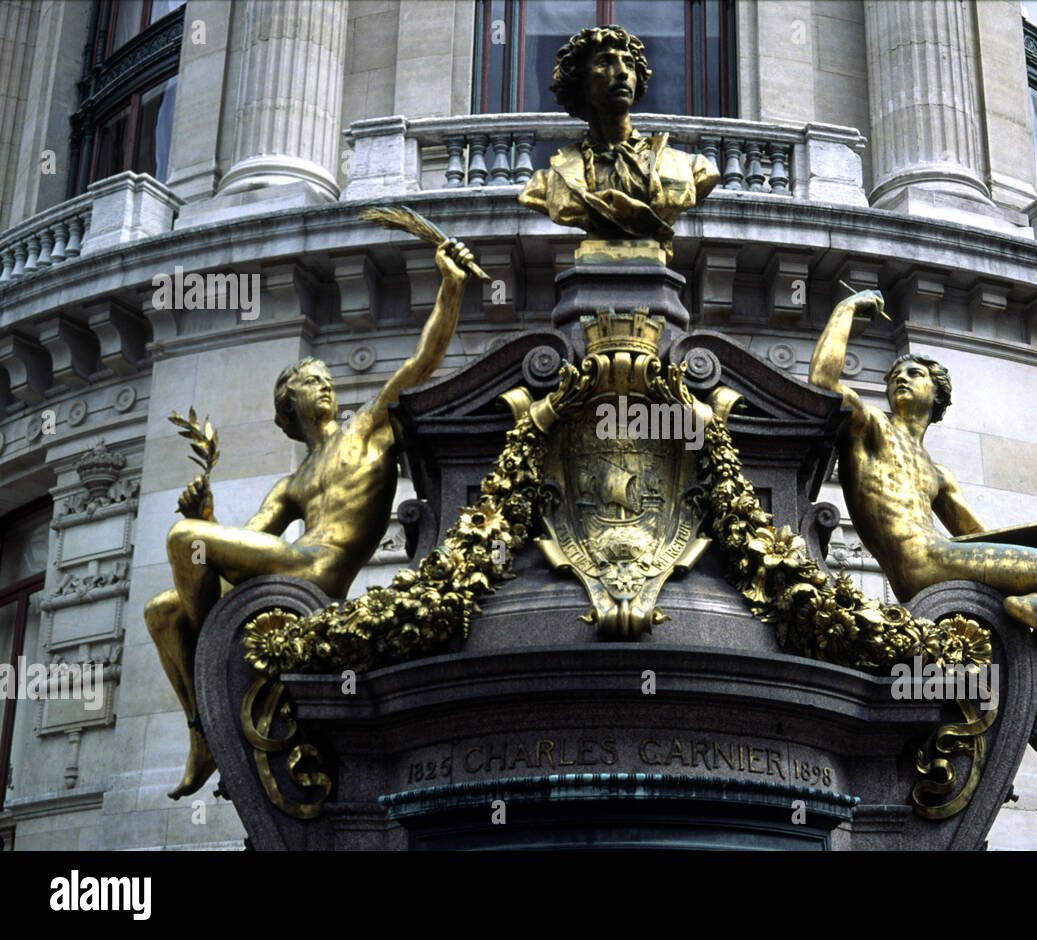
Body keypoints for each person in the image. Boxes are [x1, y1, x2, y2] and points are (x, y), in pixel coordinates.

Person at [145, 239, 475, 798]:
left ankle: (215, 678)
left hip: (323, 571)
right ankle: (203, 727)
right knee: (162, 610)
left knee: (183, 540)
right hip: (293, 565)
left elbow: (423, 360)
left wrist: (452, 285)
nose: (325, 383)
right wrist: (206, 517)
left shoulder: (368, 426)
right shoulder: (292, 483)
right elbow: (243, 544)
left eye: (326, 377)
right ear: (289, 404)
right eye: (311, 379)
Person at [809, 289, 1037, 771]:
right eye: (895, 374)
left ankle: (1016, 609)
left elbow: (990, 544)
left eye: (915, 373)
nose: (901, 377)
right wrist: (844, 310)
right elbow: (822, 381)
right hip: (920, 562)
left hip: (942, 558)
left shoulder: (939, 473)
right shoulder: (870, 427)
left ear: (937, 395)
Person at [518, 25, 719, 260]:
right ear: (580, 81)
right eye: (605, 62)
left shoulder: (689, 167)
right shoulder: (549, 182)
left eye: (629, 64)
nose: (622, 72)